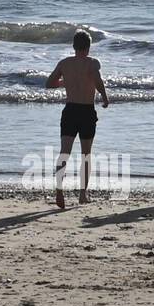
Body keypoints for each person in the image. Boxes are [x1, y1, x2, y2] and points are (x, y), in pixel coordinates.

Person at [45, 30, 110, 209]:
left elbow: (49, 83)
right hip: (86, 111)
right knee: (86, 154)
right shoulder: (92, 63)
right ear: (89, 47)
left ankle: (59, 189)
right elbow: (98, 80)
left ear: (74, 46)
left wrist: (66, 82)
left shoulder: (65, 63)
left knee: (64, 151)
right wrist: (104, 97)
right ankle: (83, 193)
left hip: (70, 110)